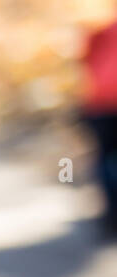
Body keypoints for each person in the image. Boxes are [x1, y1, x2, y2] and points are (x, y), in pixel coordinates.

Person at [82, 11, 117, 237]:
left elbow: (85, 63)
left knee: (105, 158)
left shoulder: (102, 32)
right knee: (105, 159)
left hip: (100, 103)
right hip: (102, 104)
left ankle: (111, 214)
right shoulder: (101, 32)